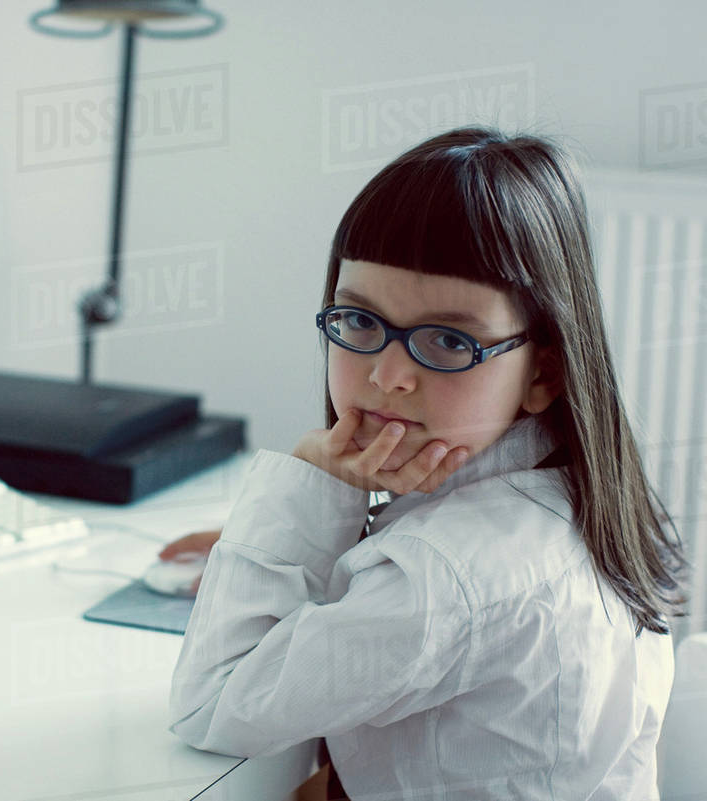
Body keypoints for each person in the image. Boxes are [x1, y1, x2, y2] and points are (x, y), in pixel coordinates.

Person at [165, 126, 688, 800]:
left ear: (544, 371)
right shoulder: (564, 502)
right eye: (358, 322)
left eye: (448, 339)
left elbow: (210, 703)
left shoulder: (442, 574)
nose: (387, 375)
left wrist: (308, 479)